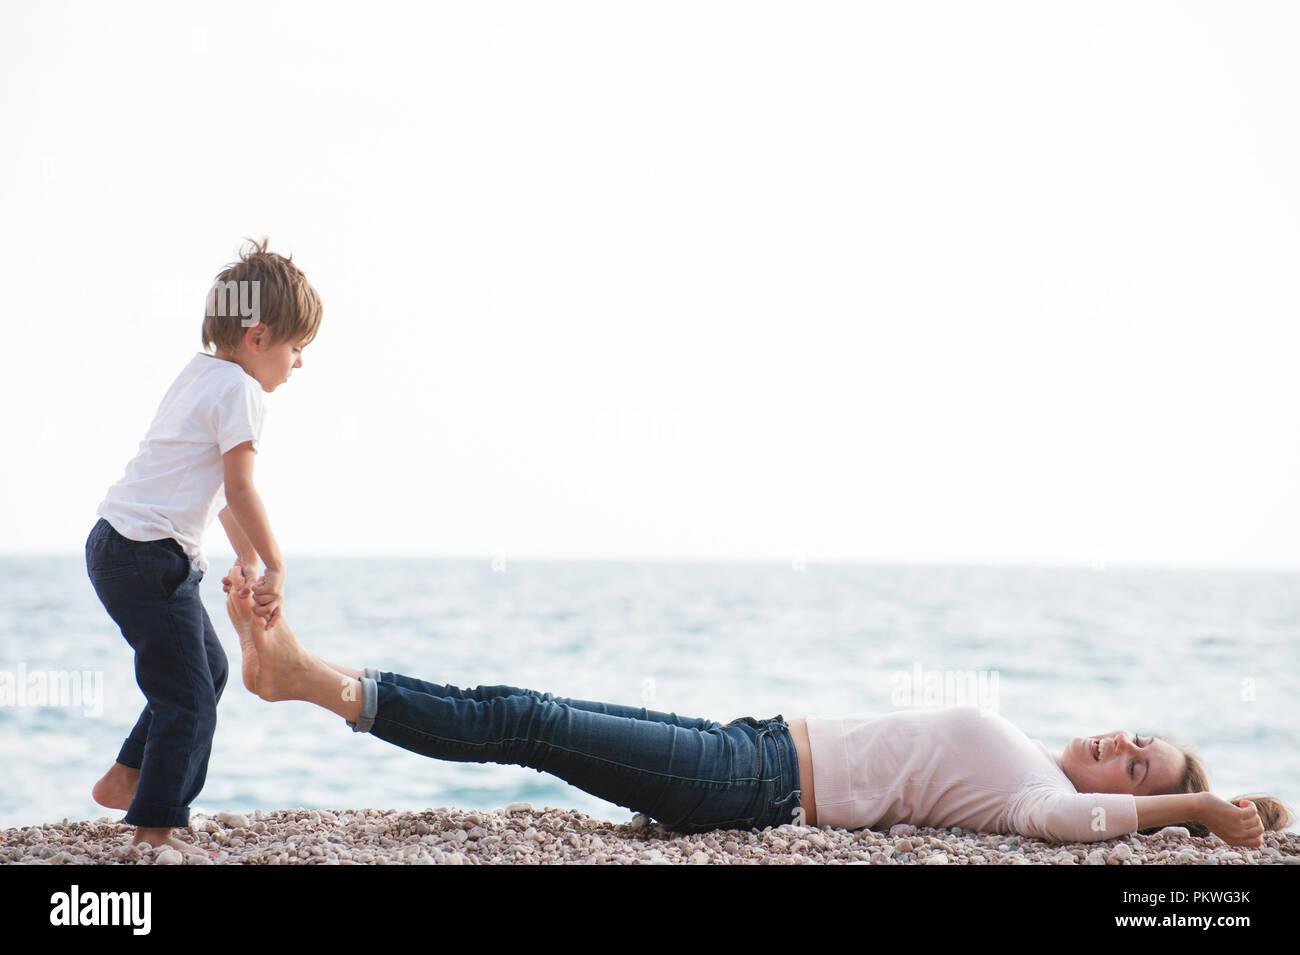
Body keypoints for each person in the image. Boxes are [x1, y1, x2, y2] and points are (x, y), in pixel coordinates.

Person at [214, 561, 1288, 848]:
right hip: (752, 746)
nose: (1120, 747)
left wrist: (1191, 815)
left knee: (527, 720)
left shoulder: (1039, 798)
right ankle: (308, 679)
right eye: (1136, 737)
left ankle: (309, 680)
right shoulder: (1032, 765)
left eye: (1136, 765)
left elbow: (1071, 824)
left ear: (1129, 808)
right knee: (529, 712)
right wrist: (1215, 805)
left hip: (750, 785)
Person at [84, 239, 322, 857]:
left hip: (121, 545)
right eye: (298, 349)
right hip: (147, 554)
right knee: (187, 696)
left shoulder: (199, 375)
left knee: (204, 671)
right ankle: (155, 830)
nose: (299, 365)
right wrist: (274, 563)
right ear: (259, 337)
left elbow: (215, 495)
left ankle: (126, 778)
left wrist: (243, 560)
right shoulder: (242, 392)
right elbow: (241, 487)